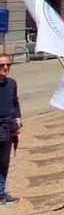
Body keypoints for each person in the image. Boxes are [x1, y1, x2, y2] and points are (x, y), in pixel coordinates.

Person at [0, 54, 22, 205]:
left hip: (8, 128)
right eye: (1, 65)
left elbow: (15, 102)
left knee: (3, 161)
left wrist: (18, 119)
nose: (5, 68)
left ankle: (1, 193)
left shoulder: (12, 84)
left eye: (8, 65)